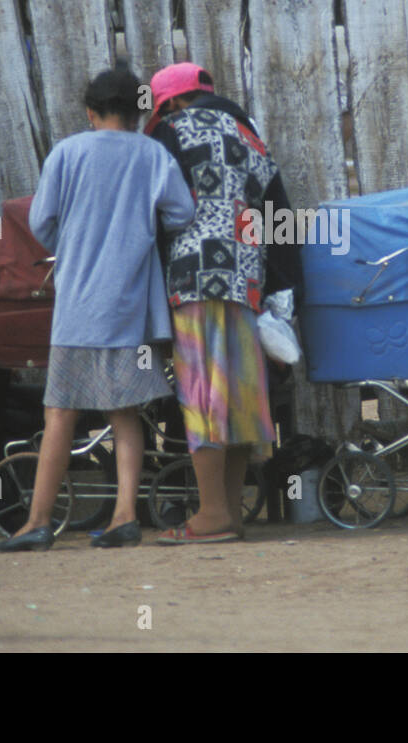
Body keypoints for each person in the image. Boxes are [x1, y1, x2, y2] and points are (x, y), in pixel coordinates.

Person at [0, 62, 194, 551]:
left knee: (60, 412)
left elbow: (41, 223)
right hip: (128, 306)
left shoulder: (67, 152)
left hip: (78, 303)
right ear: (137, 112)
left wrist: (78, 239)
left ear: (89, 112)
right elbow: (182, 213)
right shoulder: (152, 155)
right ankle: (126, 515)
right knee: (124, 412)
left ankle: (38, 521)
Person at [144, 63, 303, 544]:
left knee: (201, 395)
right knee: (236, 397)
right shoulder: (247, 133)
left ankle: (211, 516)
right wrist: (285, 291)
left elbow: (152, 213)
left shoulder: (168, 133)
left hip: (193, 279)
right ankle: (228, 514)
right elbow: (280, 217)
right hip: (245, 281)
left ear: (170, 103)